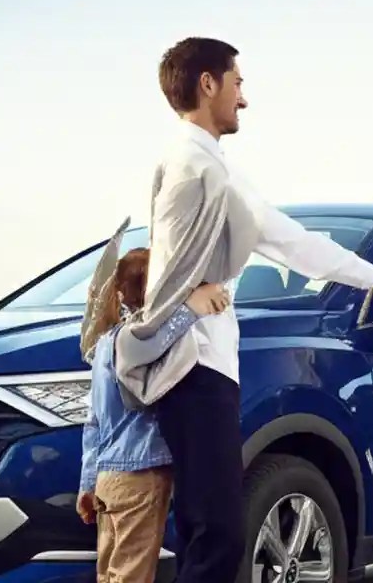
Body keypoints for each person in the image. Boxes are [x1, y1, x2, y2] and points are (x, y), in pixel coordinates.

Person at [117, 37, 373, 583]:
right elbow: (170, 273)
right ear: (207, 83)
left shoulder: (207, 166)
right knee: (218, 533)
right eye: (237, 83)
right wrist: (187, 302)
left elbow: (289, 240)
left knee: (209, 529)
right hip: (193, 368)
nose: (243, 98)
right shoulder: (195, 167)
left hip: (204, 366)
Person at [76, 247, 231, 583]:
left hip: (108, 478)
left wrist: (87, 482)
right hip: (140, 476)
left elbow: (93, 421)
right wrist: (194, 305)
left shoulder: (103, 345)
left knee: (110, 574)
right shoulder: (135, 340)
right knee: (132, 575)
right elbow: (165, 336)